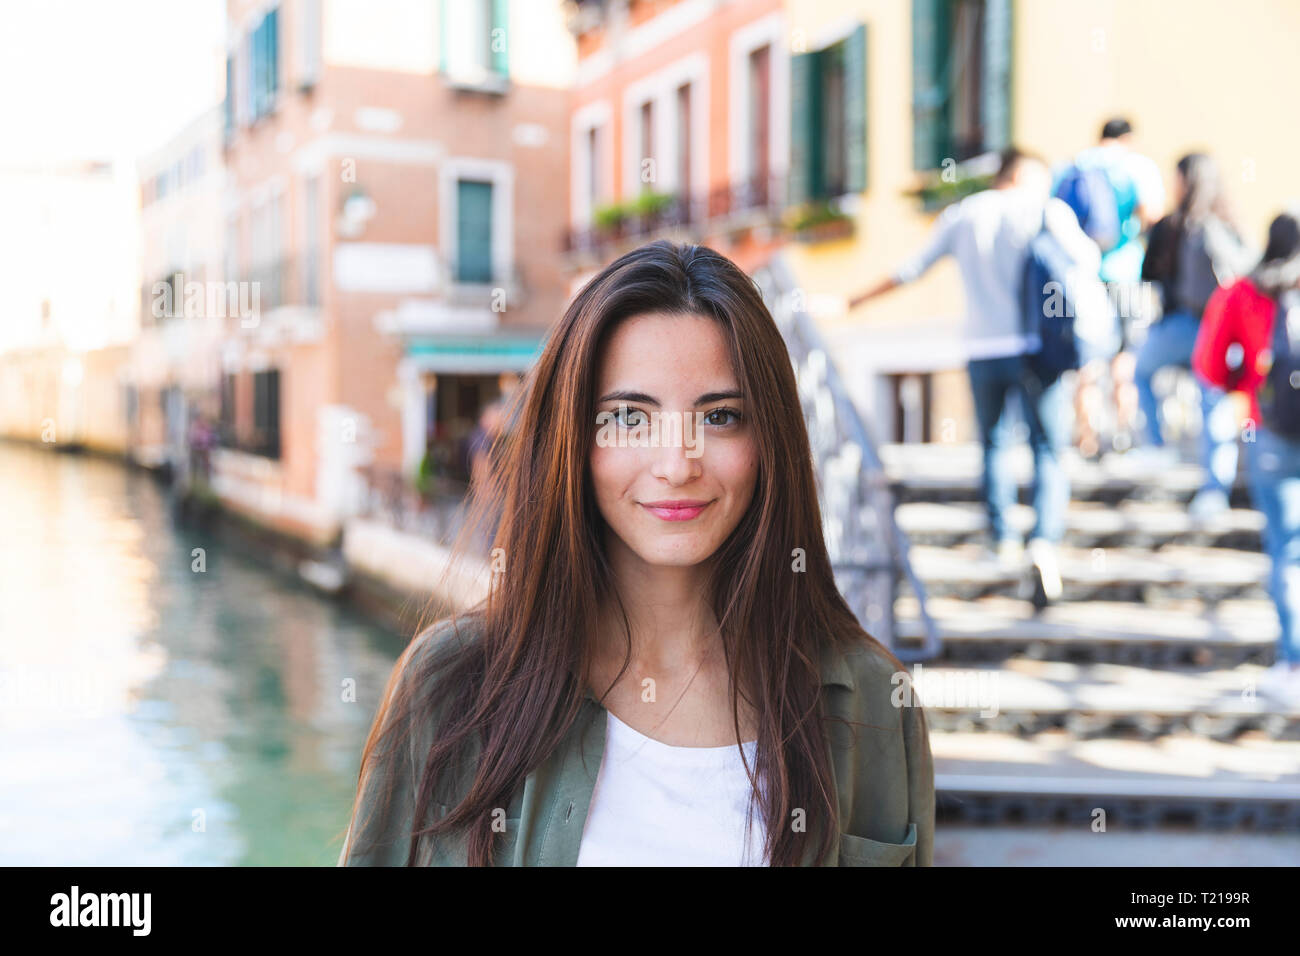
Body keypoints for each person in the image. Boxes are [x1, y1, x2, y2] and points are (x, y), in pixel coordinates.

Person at [339, 240, 934, 866]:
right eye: (628, 418)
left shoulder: (873, 701)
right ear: (572, 439)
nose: (677, 465)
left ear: (770, 440)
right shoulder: (449, 684)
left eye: (722, 416)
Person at [850, 147, 1101, 605]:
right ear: (1024, 174)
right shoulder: (1045, 209)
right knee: (1047, 445)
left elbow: (911, 270)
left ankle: (1002, 537)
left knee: (992, 443)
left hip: (981, 349)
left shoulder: (961, 215)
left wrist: (857, 300)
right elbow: (1087, 261)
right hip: (1034, 348)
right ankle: (1043, 539)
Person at [1192, 211, 1300, 705]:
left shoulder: (1242, 292)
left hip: (1268, 430)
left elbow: (1210, 365)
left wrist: (1247, 383)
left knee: (1287, 550)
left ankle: (1292, 662)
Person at [1135, 153, 1257, 517]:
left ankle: (1206, 485)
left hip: (1204, 326)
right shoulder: (1206, 223)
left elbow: (1239, 269)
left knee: (1210, 404)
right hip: (1196, 325)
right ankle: (1204, 484)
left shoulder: (1206, 227)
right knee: (1206, 402)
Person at [1054, 117, 1166, 458]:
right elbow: (1153, 213)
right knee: (1125, 356)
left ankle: (1085, 437)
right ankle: (1123, 435)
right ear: (1128, 137)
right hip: (1126, 273)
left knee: (1085, 359)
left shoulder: (1074, 165)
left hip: (1082, 276)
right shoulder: (1136, 166)